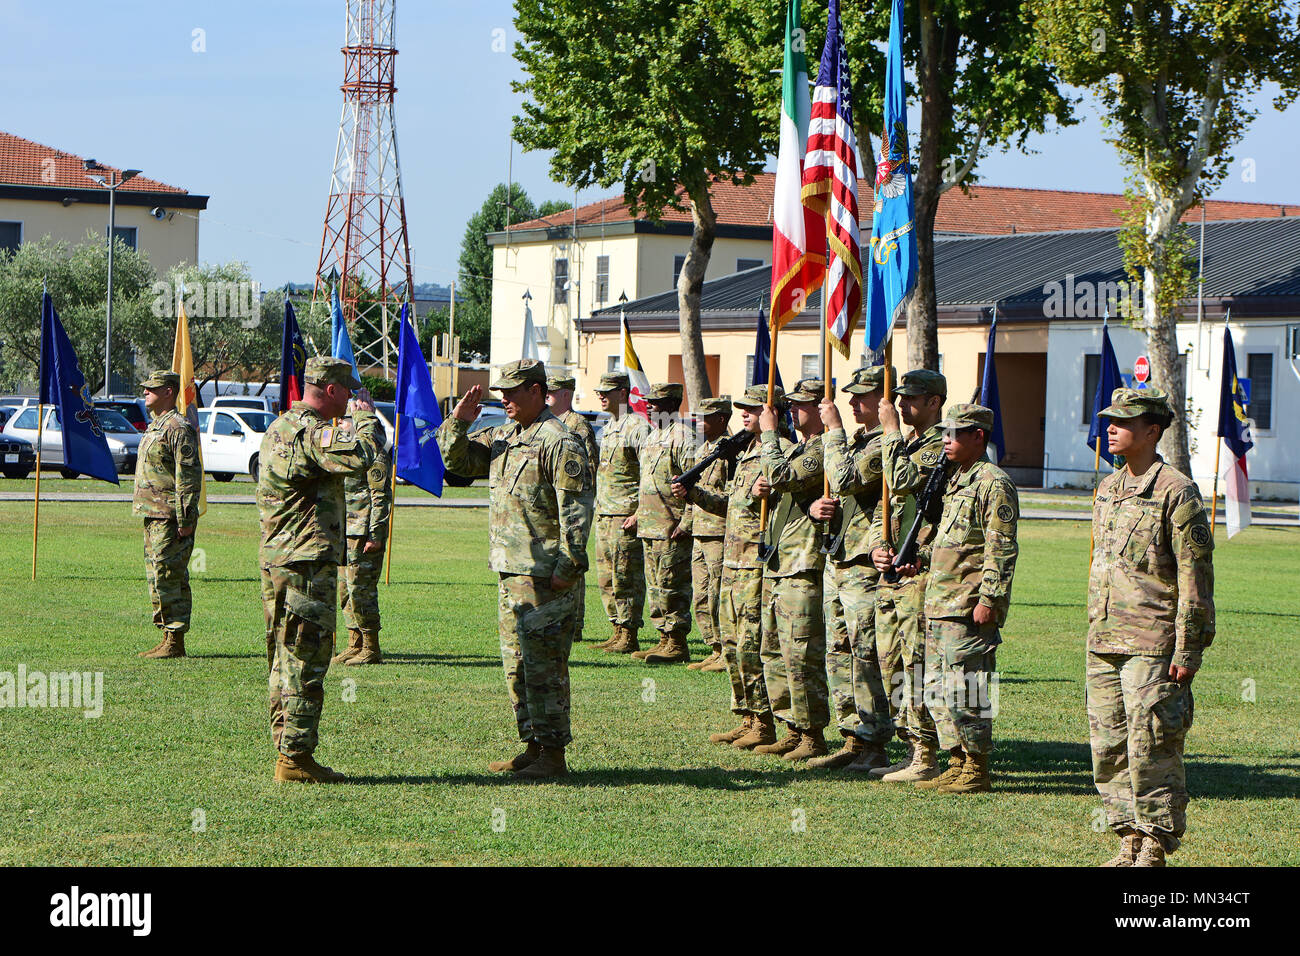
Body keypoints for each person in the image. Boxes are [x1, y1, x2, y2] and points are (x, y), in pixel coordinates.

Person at [436, 360, 593, 780]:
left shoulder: (560, 441)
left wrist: (569, 566)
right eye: (501, 391)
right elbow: (457, 463)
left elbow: (575, 512)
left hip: (545, 575)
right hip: (510, 570)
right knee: (517, 665)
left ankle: (553, 754)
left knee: (544, 666)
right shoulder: (504, 436)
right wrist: (458, 423)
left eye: (513, 391)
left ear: (538, 391)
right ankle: (532, 745)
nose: (503, 397)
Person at [1087, 387, 1213, 867]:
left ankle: (1155, 843)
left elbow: (1195, 577)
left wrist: (1188, 648)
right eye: (1109, 421)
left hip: (1153, 641)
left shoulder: (1176, 491)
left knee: (1153, 744)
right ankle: (1127, 839)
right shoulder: (1107, 488)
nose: (1111, 428)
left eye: (1123, 422)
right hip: (1104, 637)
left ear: (1152, 431)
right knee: (1110, 745)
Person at [258, 357, 380, 783]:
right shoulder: (313, 433)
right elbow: (361, 455)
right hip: (307, 562)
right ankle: (294, 757)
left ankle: (286, 747)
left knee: (283, 657)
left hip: (279, 560)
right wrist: (366, 421)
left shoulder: (280, 427)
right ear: (330, 389)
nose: (351, 397)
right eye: (347, 390)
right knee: (306, 659)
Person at [912, 403, 1019, 794]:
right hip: (940, 603)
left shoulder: (993, 482)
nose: (946, 440)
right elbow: (951, 542)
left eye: (955, 434)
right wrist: (917, 559)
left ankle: (977, 766)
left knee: (968, 688)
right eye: (945, 433)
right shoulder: (957, 479)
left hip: (967, 607)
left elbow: (1001, 548)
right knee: (940, 689)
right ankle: (956, 760)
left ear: (979, 436)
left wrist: (989, 599)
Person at [677, 385, 783, 747]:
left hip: (756, 561)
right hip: (734, 560)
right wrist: (694, 494)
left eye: (753, 409)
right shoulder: (746, 452)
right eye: (743, 409)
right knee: (734, 643)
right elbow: (730, 506)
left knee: (753, 642)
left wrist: (769, 435)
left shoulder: (775, 452)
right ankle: (748, 715)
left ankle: (764, 722)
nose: (744, 414)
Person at [805, 364, 896, 771]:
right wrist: (816, 508)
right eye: (852, 396)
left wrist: (833, 431)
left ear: (884, 400)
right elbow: (837, 494)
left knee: (865, 652)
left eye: (864, 396)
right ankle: (852, 735)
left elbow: (843, 478)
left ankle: (876, 737)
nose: (854, 403)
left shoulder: (882, 446)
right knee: (838, 651)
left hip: (864, 562)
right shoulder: (858, 441)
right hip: (839, 556)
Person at [870, 368, 948, 782]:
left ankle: (927, 753)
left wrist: (889, 432)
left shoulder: (938, 446)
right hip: (894, 571)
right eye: (900, 398)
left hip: (922, 572)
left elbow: (900, 482)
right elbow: (887, 509)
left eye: (912, 399)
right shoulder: (909, 443)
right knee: (892, 663)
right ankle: (910, 746)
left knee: (917, 663)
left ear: (934, 402)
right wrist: (877, 547)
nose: (901, 405)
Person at [755, 378, 831, 761]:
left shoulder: (820, 450)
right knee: (773, 651)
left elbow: (783, 475)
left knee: (801, 653)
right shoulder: (801, 448)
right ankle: (790, 726)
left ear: (821, 407)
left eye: (802, 405)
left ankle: (812, 733)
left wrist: (769, 435)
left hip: (803, 564)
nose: (792, 411)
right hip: (781, 561)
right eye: (792, 405)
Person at [133, 371, 203, 660]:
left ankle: (175, 640)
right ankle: (166, 636)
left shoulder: (177, 427)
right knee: (157, 577)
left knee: (169, 575)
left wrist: (186, 519)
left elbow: (188, 477)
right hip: (153, 514)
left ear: (169, 392)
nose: (146, 392)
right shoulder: (156, 426)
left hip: (170, 517)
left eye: (153, 388)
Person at [630, 382, 698, 665]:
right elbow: (646, 482)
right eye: (649, 402)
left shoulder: (683, 437)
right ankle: (663, 639)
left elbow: (696, 484)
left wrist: (687, 522)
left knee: (672, 585)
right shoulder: (652, 437)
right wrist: (637, 513)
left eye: (655, 403)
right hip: (650, 526)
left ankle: (677, 642)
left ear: (671, 405)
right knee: (656, 586)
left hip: (672, 527)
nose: (649, 406)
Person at [590, 372, 651, 654]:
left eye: (607, 391)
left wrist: (640, 511)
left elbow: (648, 474)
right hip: (604, 513)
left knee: (626, 576)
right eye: (599, 391)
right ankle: (616, 628)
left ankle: (629, 632)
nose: (601, 396)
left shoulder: (638, 427)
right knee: (606, 577)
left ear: (623, 393)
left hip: (625, 515)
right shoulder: (610, 427)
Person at [333, 409, 394, 667]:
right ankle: (354, 642)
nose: (344, 423)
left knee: (361, 590)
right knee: (345, 590)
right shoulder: (351, 451)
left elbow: (380, 496)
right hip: (346, 530)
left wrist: (376, 534)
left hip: (364, 532)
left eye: (349, 419)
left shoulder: (375, 452)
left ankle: (371, 647)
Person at [546, 373, 599, 643]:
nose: (547, 396)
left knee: (571, 562)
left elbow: (586, 469)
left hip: (573, 505)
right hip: (552, 506)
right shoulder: (551, 423)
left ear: (567, 394)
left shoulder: (577, 425)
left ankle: (574, 624)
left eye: (553, 392)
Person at [682, 396, 733, 673]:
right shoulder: (705, 449)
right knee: (701, 594)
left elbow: (729, 498)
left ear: (721, 420)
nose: (698, 422)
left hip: (719, 532)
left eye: (704, 417)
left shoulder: (729, 453)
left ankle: (726, 649)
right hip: (700, 532)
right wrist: (686, 522)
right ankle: (714, 647)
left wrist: (695, 494)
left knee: (717, 594)